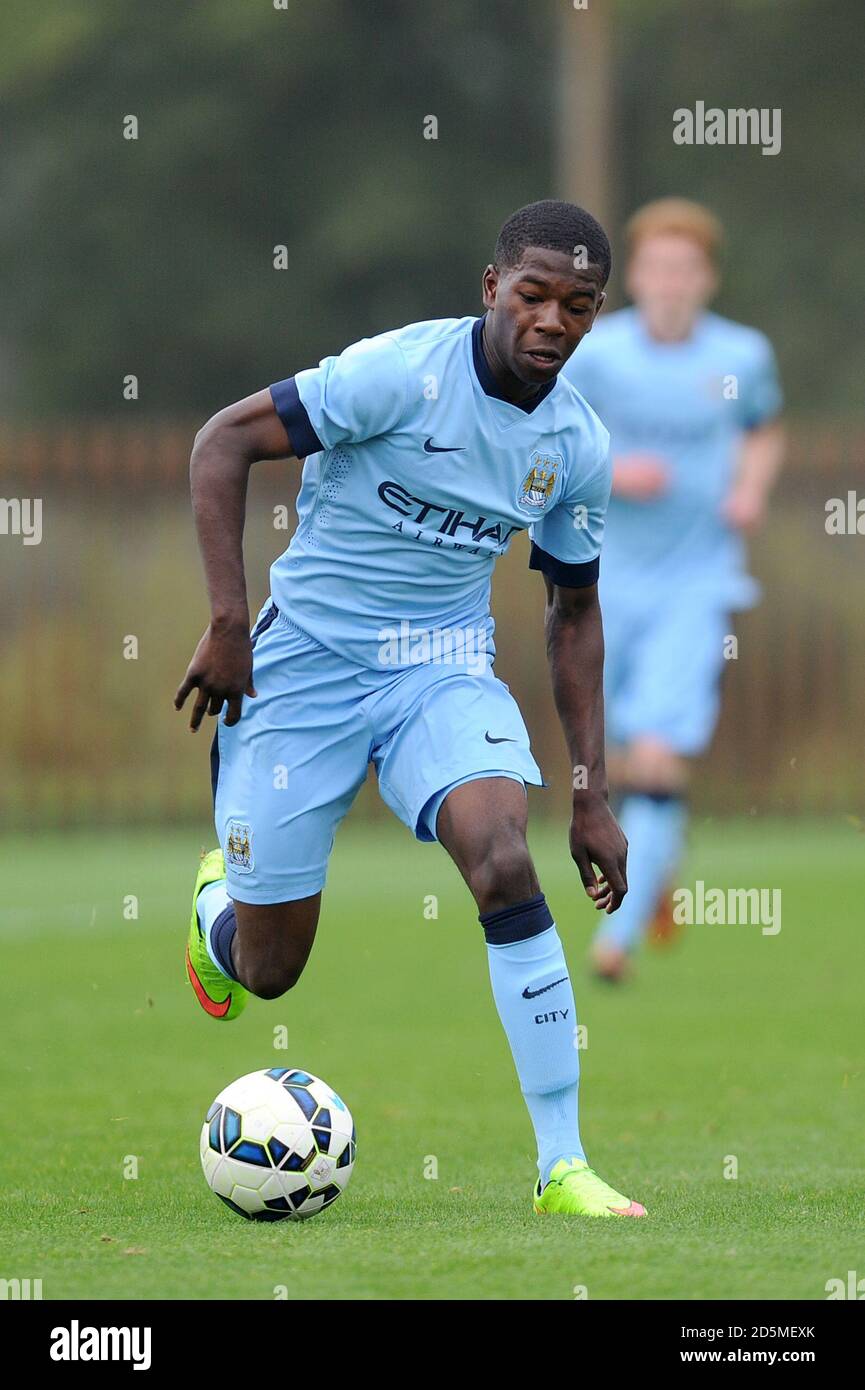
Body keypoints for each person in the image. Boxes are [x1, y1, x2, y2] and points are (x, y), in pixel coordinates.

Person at [175, 200, 645, 1218]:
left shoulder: (574, 445)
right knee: (269, 972)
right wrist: (228, 621)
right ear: (490, 289)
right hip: (302, 670)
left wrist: (591, 790)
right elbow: (222, 443)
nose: (551, 320)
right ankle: (218, 907)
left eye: (579, 304)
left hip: (440, 672)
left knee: (504, 857)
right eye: (532, 295)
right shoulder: (398, 374)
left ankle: (561, 1165)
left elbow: (573, 613)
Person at [562, 199, 784, 981]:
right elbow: (554, 436)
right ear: (636, 277)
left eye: (684, 269)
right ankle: (656, 864)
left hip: (699, 581)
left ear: (706, 279)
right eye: (656, 268)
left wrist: (750, 488)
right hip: (603, 583)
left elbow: (762, 427)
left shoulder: (740, 356)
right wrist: (616, 472)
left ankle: (612, 945)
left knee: (656, 755)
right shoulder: (598, 357)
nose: (669, 283)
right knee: (618, 765)